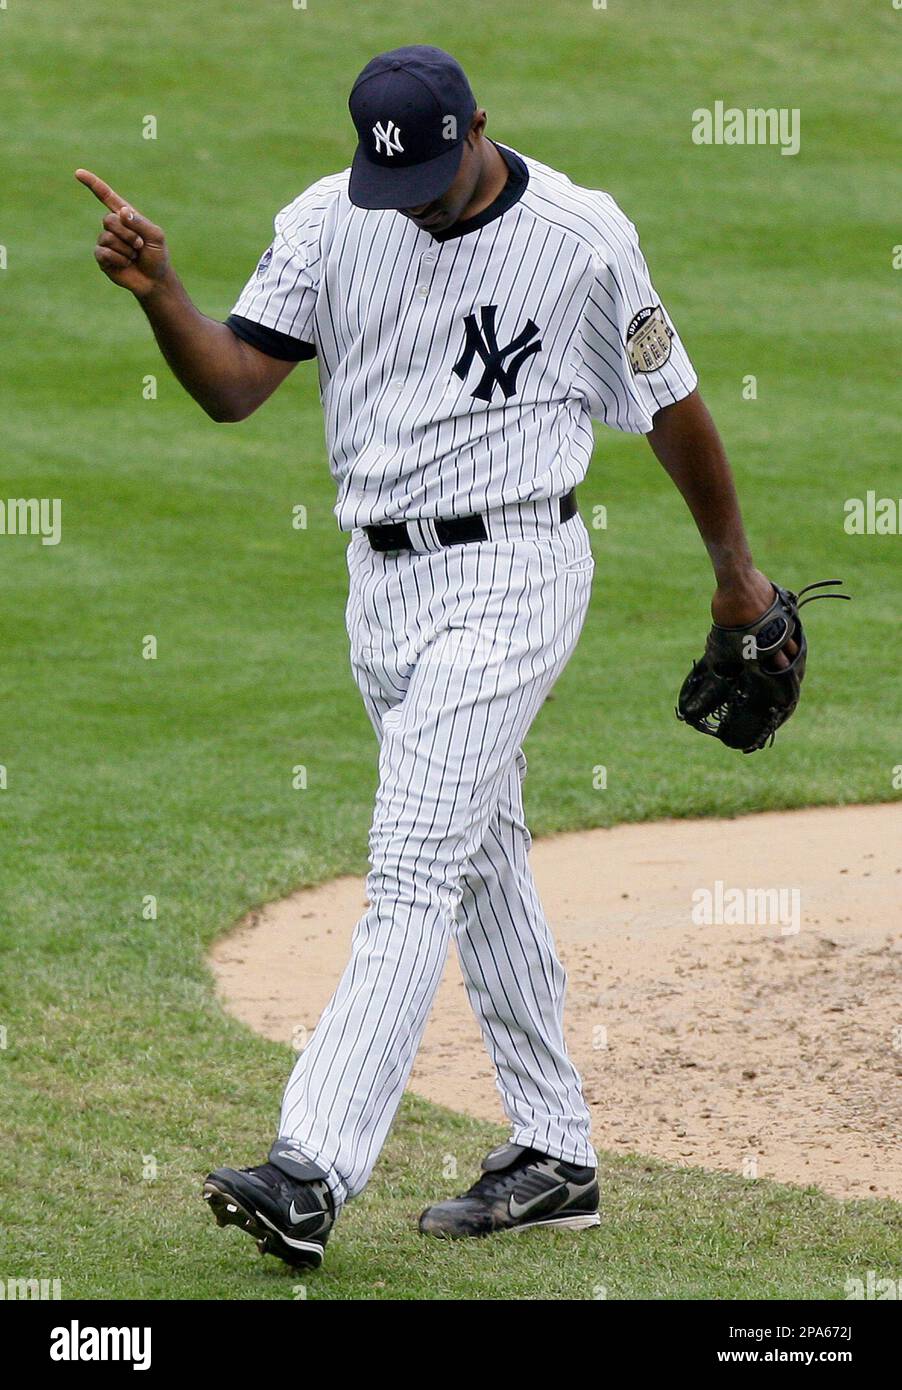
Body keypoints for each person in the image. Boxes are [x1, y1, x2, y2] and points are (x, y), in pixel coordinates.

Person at [77, 44, 789, 1271]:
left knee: (409, 860)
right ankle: (553, 1153)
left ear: (474, 130)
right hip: (380, 589)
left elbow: (670, 405)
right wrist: (159, 292)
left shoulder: (579, 237)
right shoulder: (328, 217)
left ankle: (311, 1167)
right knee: (477, 856)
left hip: (514, 574)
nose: (403, 204)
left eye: (425, 177)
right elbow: (237, 387)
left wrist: (734, 573)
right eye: (383, 181)